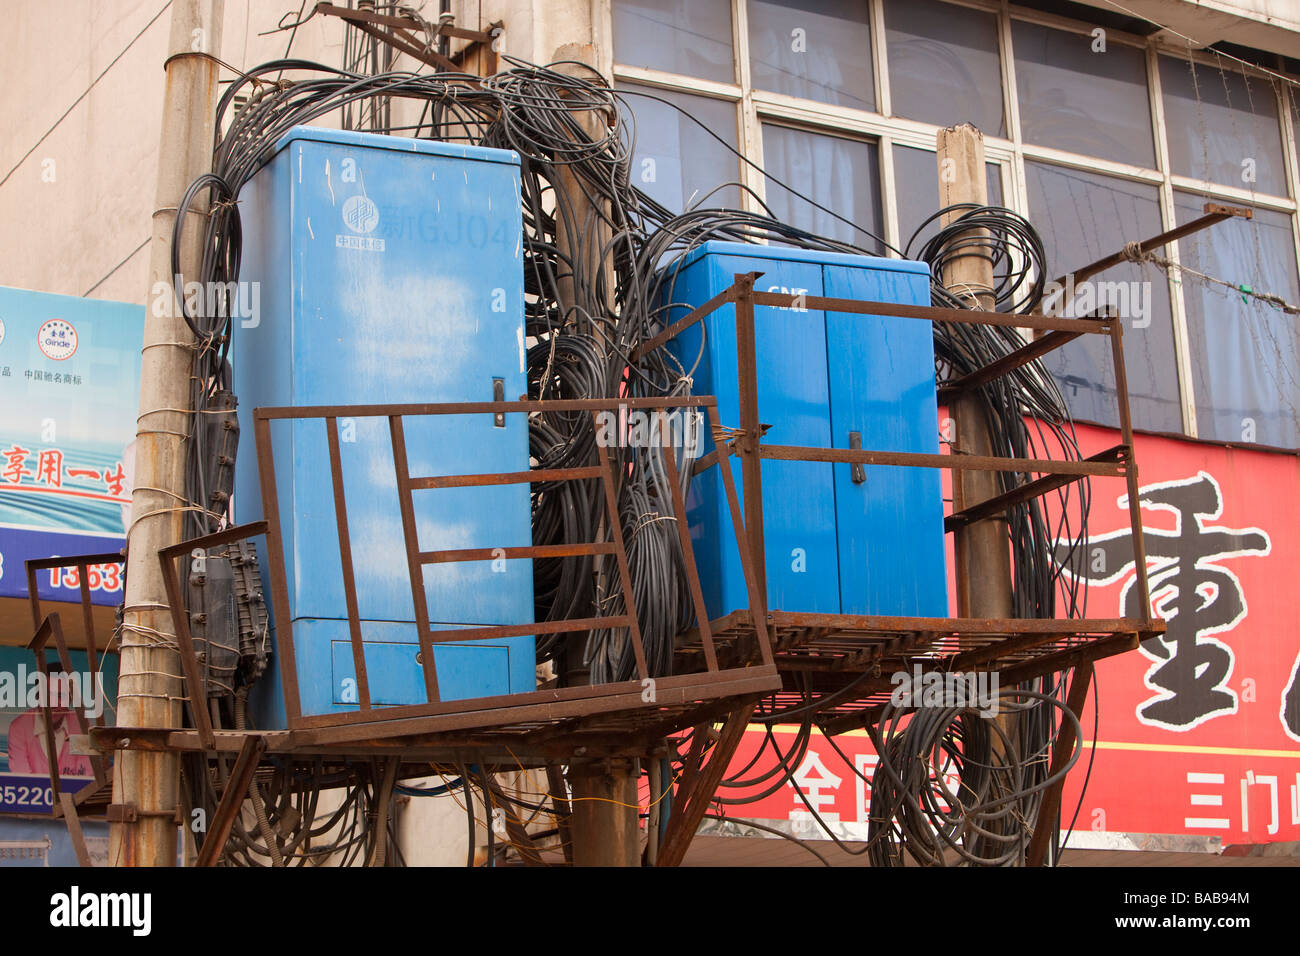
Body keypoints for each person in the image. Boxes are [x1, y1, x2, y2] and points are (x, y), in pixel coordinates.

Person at [6, 707, 92, 777]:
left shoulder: (81, 725)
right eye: (48, 695)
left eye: (60, 696)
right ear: (38, 696)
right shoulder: (19, 727)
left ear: (69, 699)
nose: (53, 703)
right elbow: (22, 780)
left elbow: (86, 777)